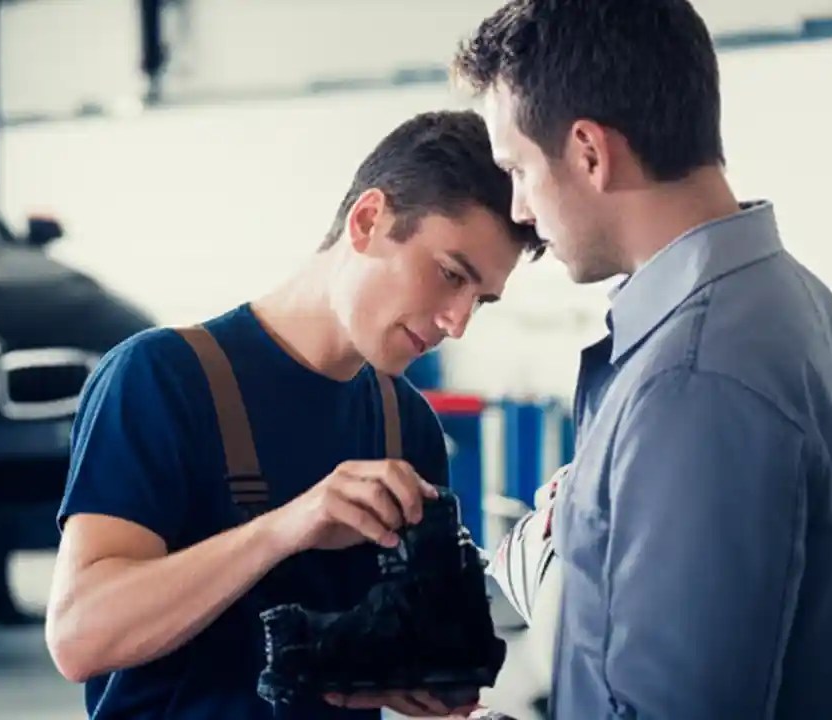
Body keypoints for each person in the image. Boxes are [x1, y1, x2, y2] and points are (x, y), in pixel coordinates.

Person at [452, 0, 832, 717]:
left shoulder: (694, 376)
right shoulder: (788, 298)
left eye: (518, 170)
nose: (520, 209)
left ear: (589, 152)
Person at [45, 110, 544, 719]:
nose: (457, 322)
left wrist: (404, 672)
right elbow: (79, 637)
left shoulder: (407, 426)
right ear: (368, 221)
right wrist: (288, 526)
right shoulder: (160, 380)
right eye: (449, 275)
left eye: (480, 300)